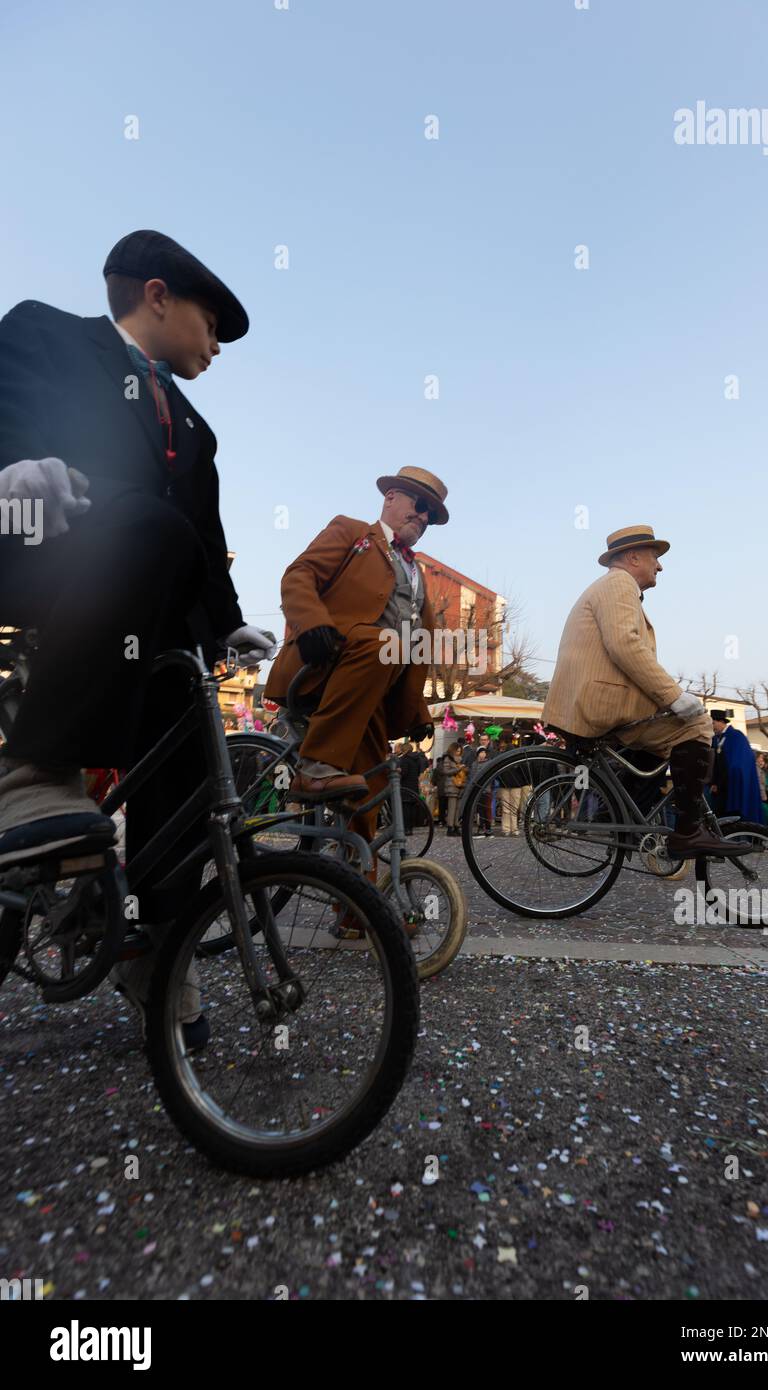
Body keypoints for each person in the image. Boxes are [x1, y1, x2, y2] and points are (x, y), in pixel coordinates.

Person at [0, 230, 276, 1042]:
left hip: (139, 598)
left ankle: (153, 952)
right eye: (211, 323)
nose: (218, 344)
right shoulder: (49, 331)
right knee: (140, 523)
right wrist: (11, 466)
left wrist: (227, 625)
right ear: (157, 296)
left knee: (190, 760)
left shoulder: (194, 429)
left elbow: (199, 530)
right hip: (41, 542)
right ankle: (33, 770)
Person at [264, 466, 447, 862]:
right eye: (419, 504)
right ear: (391, 497)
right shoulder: (352, 532)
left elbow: (419, 651)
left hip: (369, 694)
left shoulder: (419, 577)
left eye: (431, 513)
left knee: (368, 789)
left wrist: (415, 710)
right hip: (323, 663)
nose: (423, 516)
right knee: (383, 641)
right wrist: (312, 623)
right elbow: (300, 574)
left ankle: (355, 909)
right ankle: (315, 767)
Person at [543, 525, 745, 857]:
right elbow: (626, 646)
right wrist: (673, 696)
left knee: (662, 744)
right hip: (599, 703)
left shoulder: (611, 587)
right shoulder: (618, 583)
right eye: (655, 558)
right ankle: (688, 833)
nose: (660, 566)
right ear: (633, 556)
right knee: (695, 726)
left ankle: (620, 816)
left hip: (592, 698)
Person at [709, 711, 764, 822]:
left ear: (721, 722)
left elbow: (739, 763)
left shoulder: (736, 736)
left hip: (733, 782)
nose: (712, 727)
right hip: (721, 785)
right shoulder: (716, 739)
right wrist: (715, 782)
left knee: (736, 814)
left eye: (713, 723)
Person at [442, 741, 464, 836]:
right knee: (452, 808)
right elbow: (446, 771)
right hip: (451, 786)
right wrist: (458, 769)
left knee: (457, 808)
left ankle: (456, 826)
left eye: (460, 751)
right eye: (457, 751)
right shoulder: (448, 758)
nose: (458, 753)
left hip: (459, 785)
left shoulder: (459, 759)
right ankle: (450, 828)